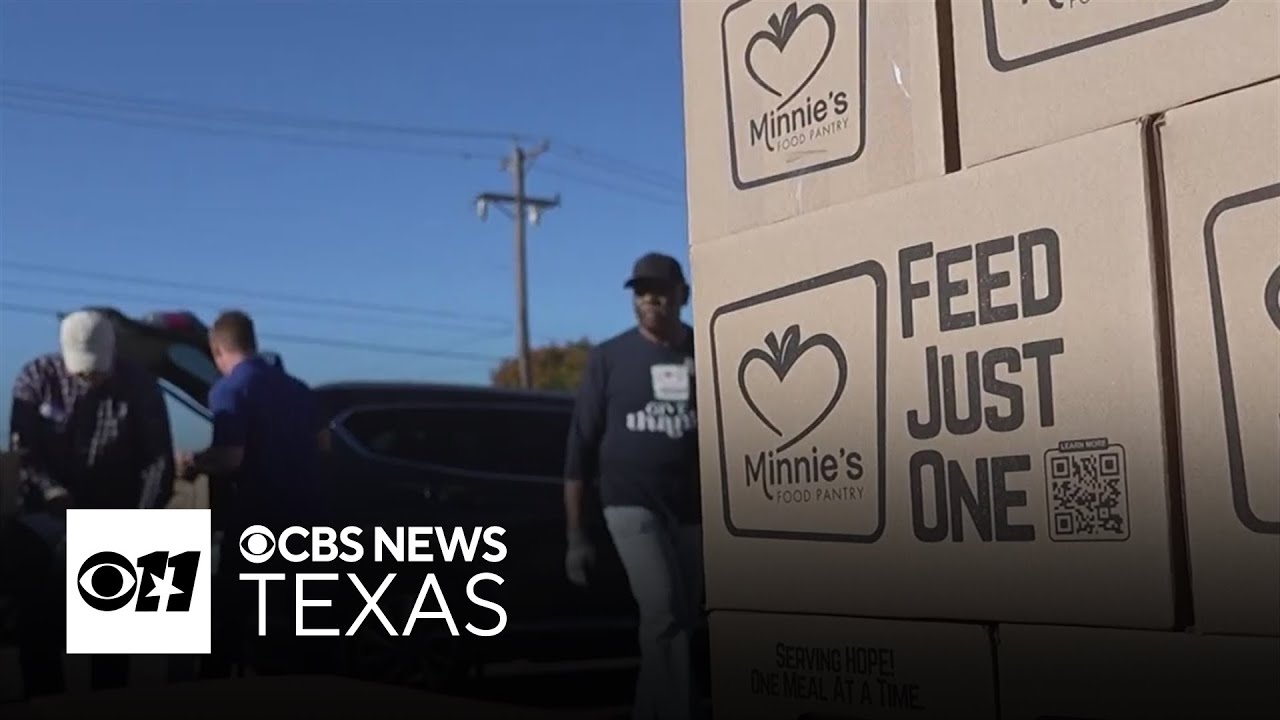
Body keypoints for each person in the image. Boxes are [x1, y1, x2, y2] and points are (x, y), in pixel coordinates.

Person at [563, 252, 704, 720]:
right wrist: (576, 536)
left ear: (682, 295)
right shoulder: (609, 357)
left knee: (684, 618)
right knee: (663, 612)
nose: (650, 300)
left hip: (692, 508)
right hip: (630, 504)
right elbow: (580, 445)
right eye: (641, 292)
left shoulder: (706, 351)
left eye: (660, 291)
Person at [7, 309, 175, 698]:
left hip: (115, 513)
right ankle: (45, 701)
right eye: (81, 371)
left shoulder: (141, 385)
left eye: (96, 370)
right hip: (46, 517)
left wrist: (140, 522)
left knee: (111, 634)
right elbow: (24, 453)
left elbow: (157, 460)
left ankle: (108, 701)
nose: (89, 378)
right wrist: (52, 493)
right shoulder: (35, 378)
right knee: (38, 620)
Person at [173, 309, 331, 677]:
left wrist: (193, 462)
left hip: (257, 521)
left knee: (231, 614)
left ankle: (214, 685)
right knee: (301, 620)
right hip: (308, 519)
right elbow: (324, 445)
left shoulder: (229, 389)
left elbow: (230, 458)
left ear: (217, 350)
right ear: (253, 343)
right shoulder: (299, 388)